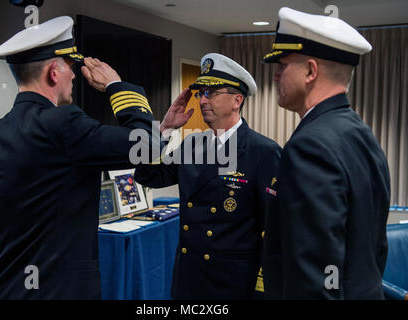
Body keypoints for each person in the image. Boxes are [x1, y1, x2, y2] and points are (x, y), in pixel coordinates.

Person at [0, 16, 159, 299]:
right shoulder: (64, 124)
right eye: (71, 66)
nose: (74, 74)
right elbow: (147, 146)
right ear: (54, 72)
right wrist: (117, 87)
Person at [262, 7, 391, 299]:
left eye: (282, 65)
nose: (275, 75)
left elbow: (315, 272)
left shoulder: (310, 146)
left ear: (310, 71)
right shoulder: (360, 133)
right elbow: (373, 250)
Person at [135, 53, 281, 299]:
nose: (202, 100)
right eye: (201, 92)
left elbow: (275, 230)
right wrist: (165, 129)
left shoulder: (263, 152)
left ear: (237, 100)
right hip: (189, 280)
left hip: (231, 285)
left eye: (211, 93)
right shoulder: (193, 144)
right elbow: (147, 175)